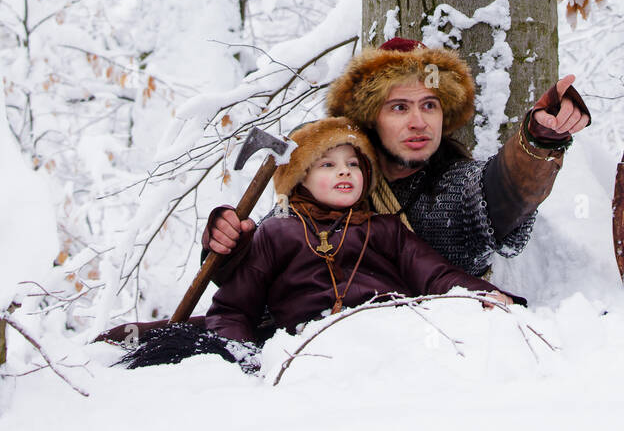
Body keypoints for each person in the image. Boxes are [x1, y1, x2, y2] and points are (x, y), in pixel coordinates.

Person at [121, 117, 517, 368]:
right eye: (327, 164)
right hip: (312, 351)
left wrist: (481, 294)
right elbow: (234, 308)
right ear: (299, 179)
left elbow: (435, 275)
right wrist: (240, 358)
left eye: (352, 165)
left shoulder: (385, 229)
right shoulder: (277, 231)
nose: (344, 172)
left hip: (390, 341)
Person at [206, 37, 590, 281]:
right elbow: (254, 269)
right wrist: (227, 242)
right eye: (400, 107)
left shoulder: (460, 190)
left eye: (429, 105)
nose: (419, 121)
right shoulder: (326, 189)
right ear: (371, 118)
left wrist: (538, 141)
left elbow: (507, 186)